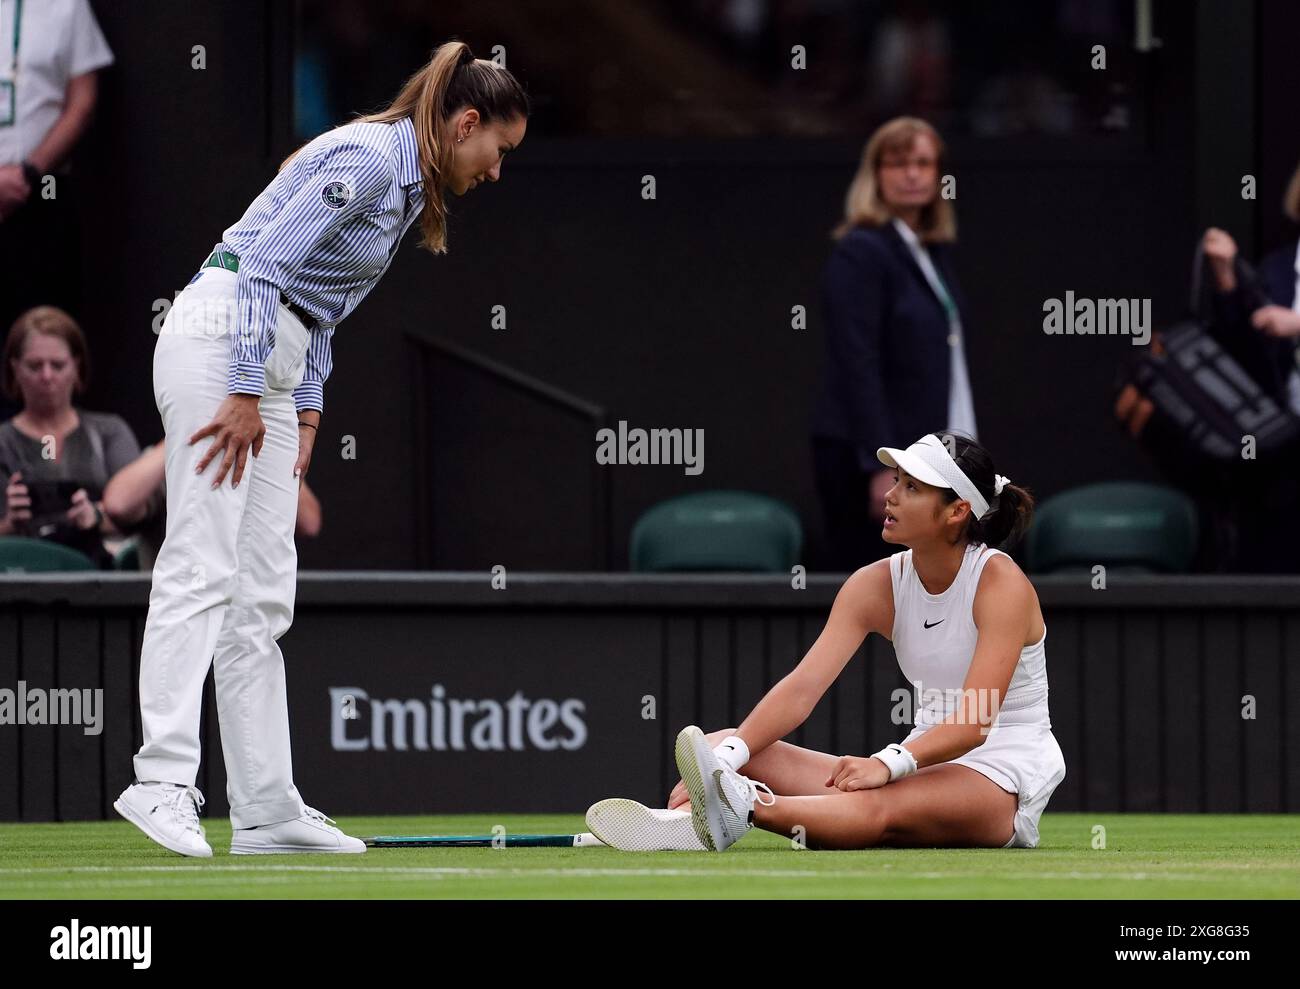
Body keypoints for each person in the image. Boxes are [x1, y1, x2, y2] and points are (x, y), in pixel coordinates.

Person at [113, 41, 530, 858]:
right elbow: (262, 263)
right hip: (223, 340)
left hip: (270, 359)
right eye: (498, 151)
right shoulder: (375, 159)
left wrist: (302, 413)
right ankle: (159, 780)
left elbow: (319, 305)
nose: (495, 172)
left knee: (263, 592)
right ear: (467, 122)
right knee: (200, 561)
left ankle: (265, 810)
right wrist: (241, 389)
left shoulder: (408, 186)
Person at [587, 432, 1067, 852]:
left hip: (1002, 772)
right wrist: (727, 760)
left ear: (957, 511)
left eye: (912, 488)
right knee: (723, 743)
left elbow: (974, 722)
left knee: (879, 810)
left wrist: (889, 763)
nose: (891, 496)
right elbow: (802, 689)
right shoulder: (873, 584)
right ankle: (712, 806)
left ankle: (743, 806)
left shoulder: (1000, 583)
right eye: (896, 481)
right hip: (917, 760)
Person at [811, 117, 978, 572]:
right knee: (875, 591)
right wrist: (879, 463)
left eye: (923, 163)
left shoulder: (929, 252)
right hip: (873, 457)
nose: (912, 174)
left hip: (922, 458)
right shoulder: (861, 251)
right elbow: (856, 361)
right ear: (876, 174)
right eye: (898, 162)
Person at [0, 0, 114, 371]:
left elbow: (82, 102)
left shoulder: (67, 6)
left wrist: (28, 174)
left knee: (43, 334)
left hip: (39, 196)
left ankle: (40, 429)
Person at [1199, 158, 1300, 572]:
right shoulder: (1279, 267)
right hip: (1285, 438)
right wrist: (1225, 273)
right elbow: (1243, 348)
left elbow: (1285, 324)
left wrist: (1295, 324)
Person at [0, 306, 140, 568]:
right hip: (20, 576)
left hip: (101, 577)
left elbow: (141, 511)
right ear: (15, 368)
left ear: (76, 366)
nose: (47, 376)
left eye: (57, 365)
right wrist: (10, 524)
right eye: (34, 366)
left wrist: (95, 516)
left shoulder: (108, 432)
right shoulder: (4, 443)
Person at [102, 438, 324, 573]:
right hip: (179, 604)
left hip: (245, 606)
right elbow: (118, 504)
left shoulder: (255, 452)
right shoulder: (175, 458)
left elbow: (309, 521)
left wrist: (267, 439)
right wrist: (183, 431)